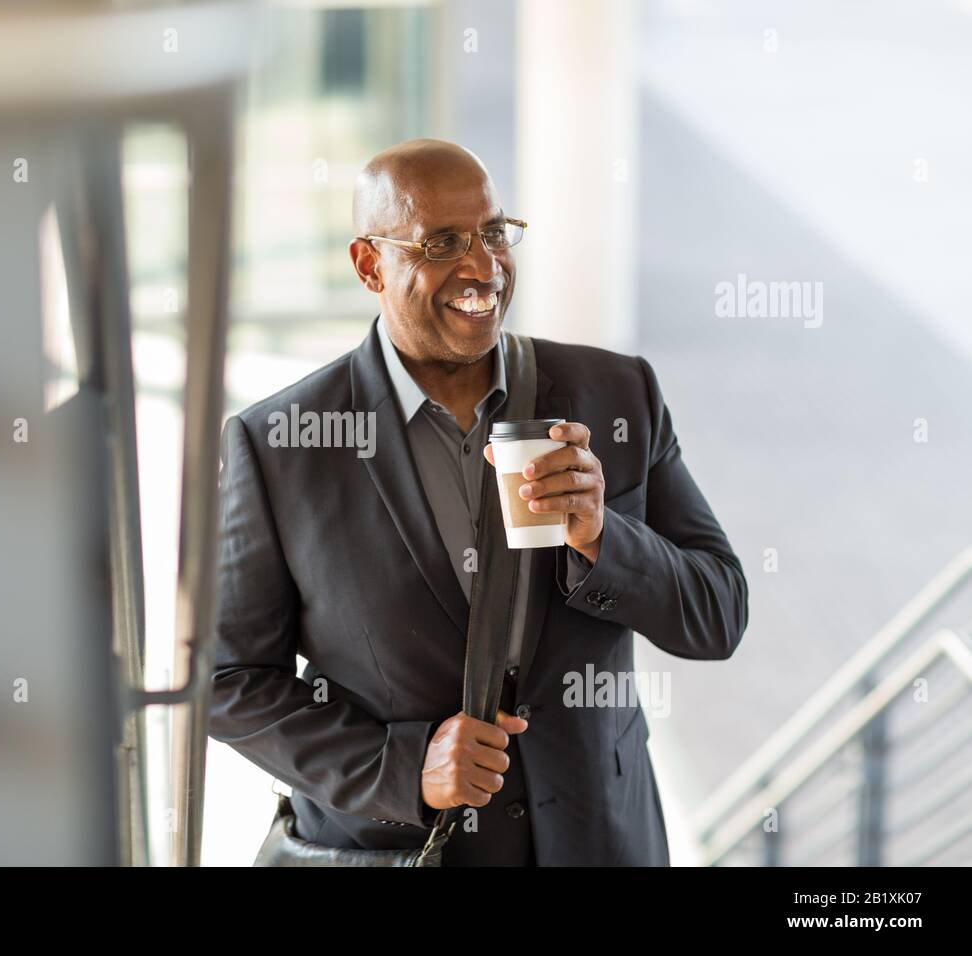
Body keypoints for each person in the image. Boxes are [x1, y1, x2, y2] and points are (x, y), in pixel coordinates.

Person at [209, 138, 748, 865]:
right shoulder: (281, 444)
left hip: (601, 840)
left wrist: (603, 538)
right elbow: (229, 681)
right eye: (443, 242)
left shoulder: (618, 394)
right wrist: (403, 768)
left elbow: (717, 615)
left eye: (494, 232)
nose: (483, 267)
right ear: (370, 263)